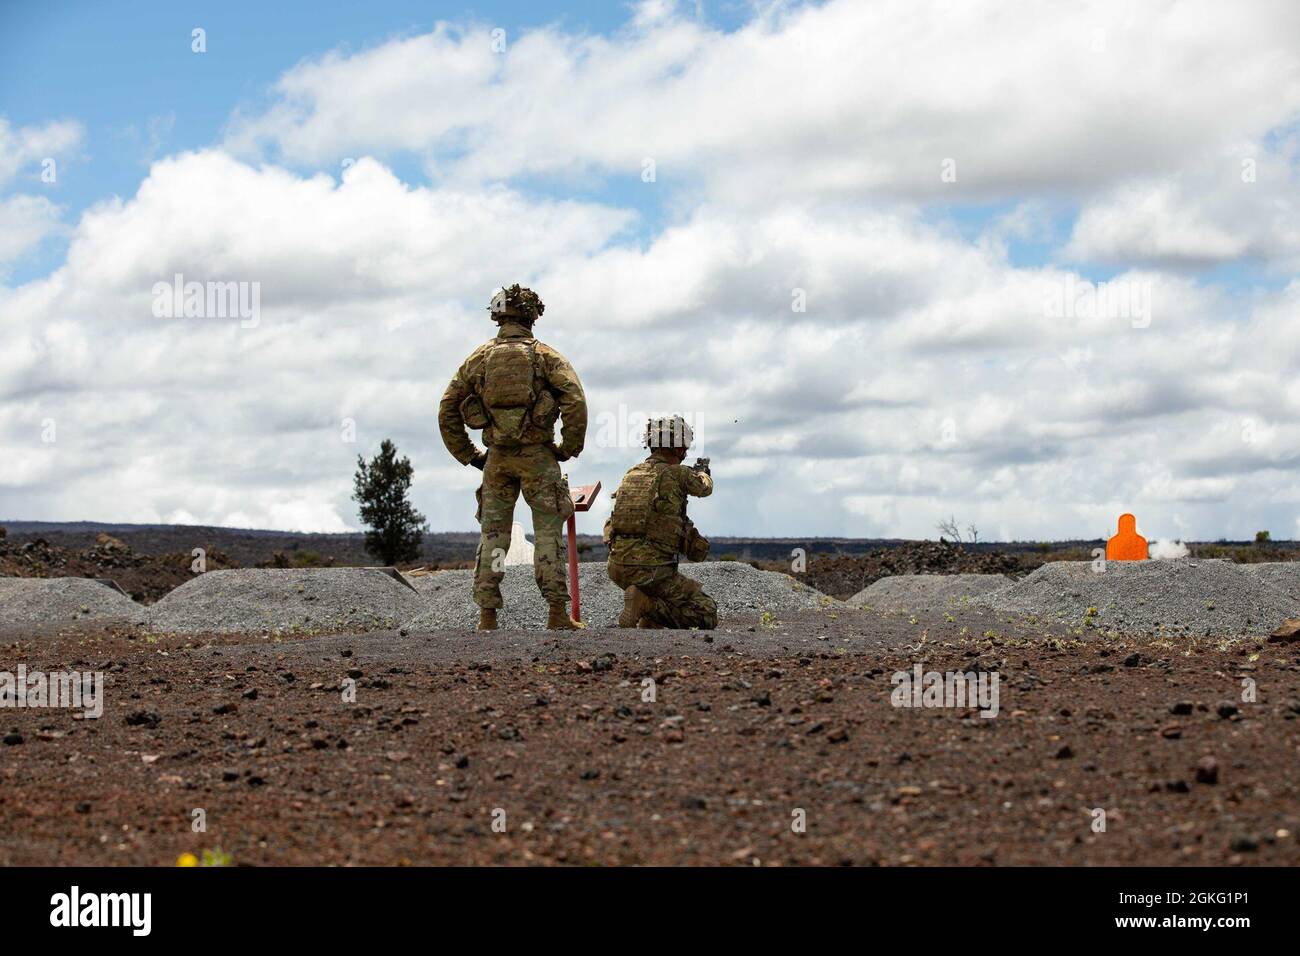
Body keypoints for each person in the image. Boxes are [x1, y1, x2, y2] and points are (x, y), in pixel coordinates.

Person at [438, 284, 587, 631]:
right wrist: (568, 448)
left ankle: (487, 616)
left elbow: (447, 407)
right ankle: (555, 614)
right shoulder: (546, 357)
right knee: (548, 535)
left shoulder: (478, 359)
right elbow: (574, 400)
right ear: (533, 315)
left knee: (493, 537)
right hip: (538, 459)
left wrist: (469, 455)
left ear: (497, 314)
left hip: (497, 462)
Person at [605, 415, 717, 629]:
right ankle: (646, 606)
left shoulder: (632, 474)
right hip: (653, 569)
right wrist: (703, 474)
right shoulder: (679, 473)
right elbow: (704, 488)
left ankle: (648, 614)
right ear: (678, 448)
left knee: (663, 591)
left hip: (617, 567)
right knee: (706, 613)